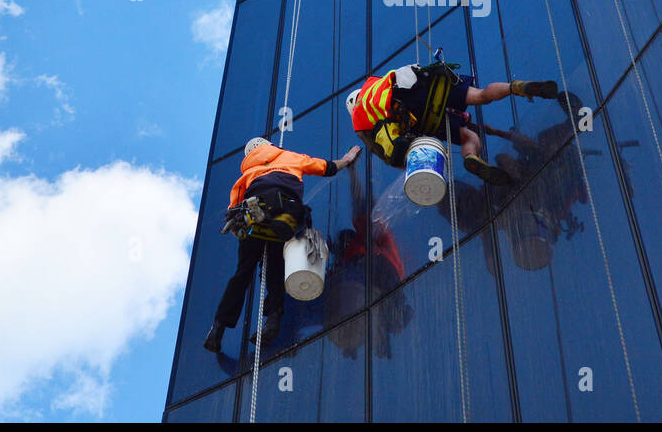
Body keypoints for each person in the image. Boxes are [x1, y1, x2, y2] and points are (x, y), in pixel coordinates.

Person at [203, 136, 361, 354]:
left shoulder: (247, 174)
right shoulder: (291, 157)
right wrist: (347, 159)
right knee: (276, 270)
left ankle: (218, 328)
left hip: (252, 217)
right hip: (284, 207)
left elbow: (233, 209)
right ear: (270, 147)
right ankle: (273, 321)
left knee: (243, 273)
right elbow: (327, 167)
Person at [346, 61, 557, 186]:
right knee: (481, 95)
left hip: (419, 120)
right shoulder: (376, 83)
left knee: (469, 137)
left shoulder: (363, 121)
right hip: (424, 89)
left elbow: (388, 154)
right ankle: (517, 87)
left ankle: (472, 157)